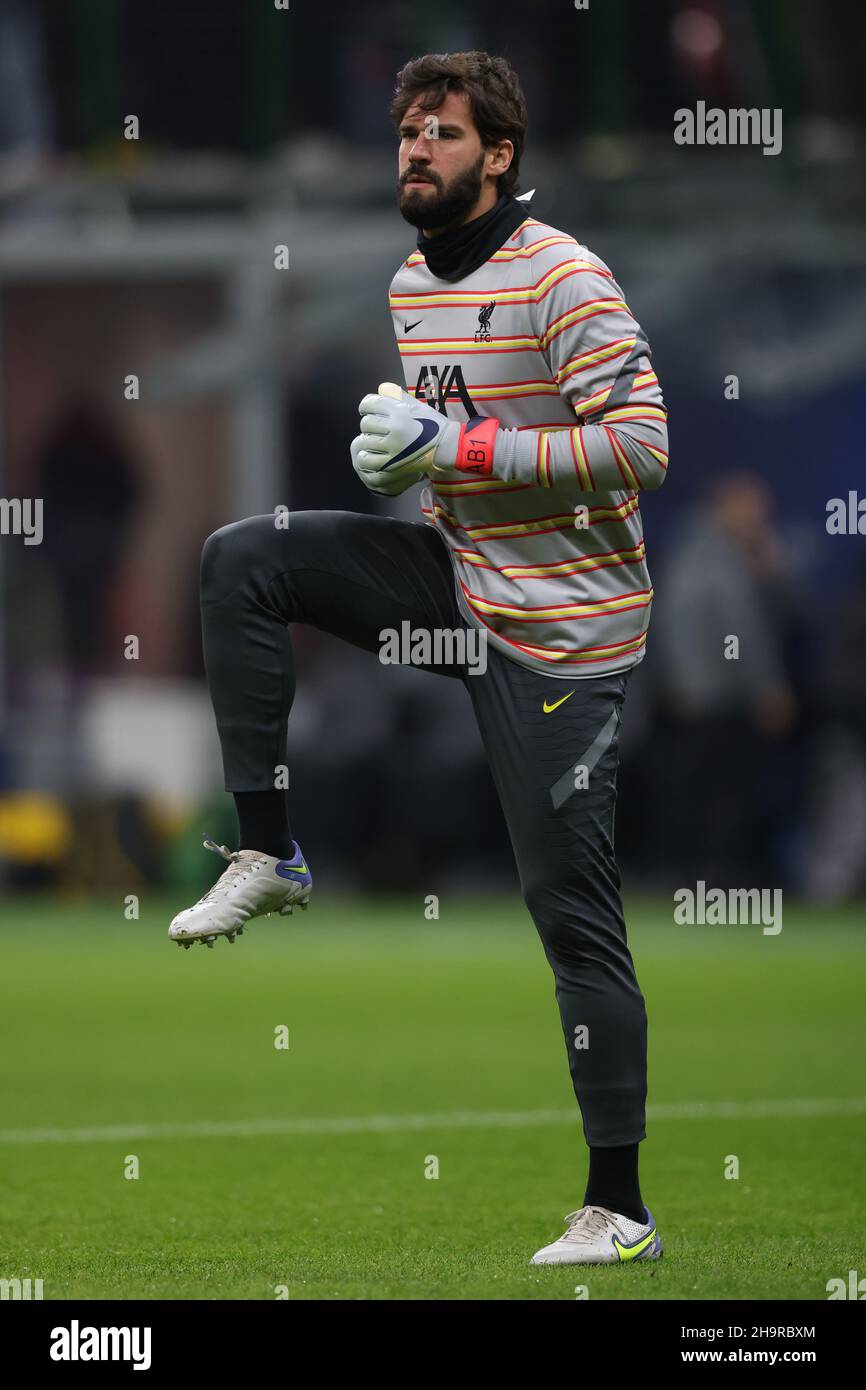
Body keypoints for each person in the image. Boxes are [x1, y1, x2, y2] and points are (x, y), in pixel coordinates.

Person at [168, 51, 668, 1267]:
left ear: (497, 155)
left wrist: (465, 443)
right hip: (456, 584)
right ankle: (268, 847)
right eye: (404, 133)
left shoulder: (563, 275)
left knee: (570, 916)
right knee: (246, 557)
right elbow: (450, 453)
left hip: (561, 628)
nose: (413, 151)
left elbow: (643, 445)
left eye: (439, 133)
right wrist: (412, 463)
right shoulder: (406, 285)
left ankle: (620, 1210)